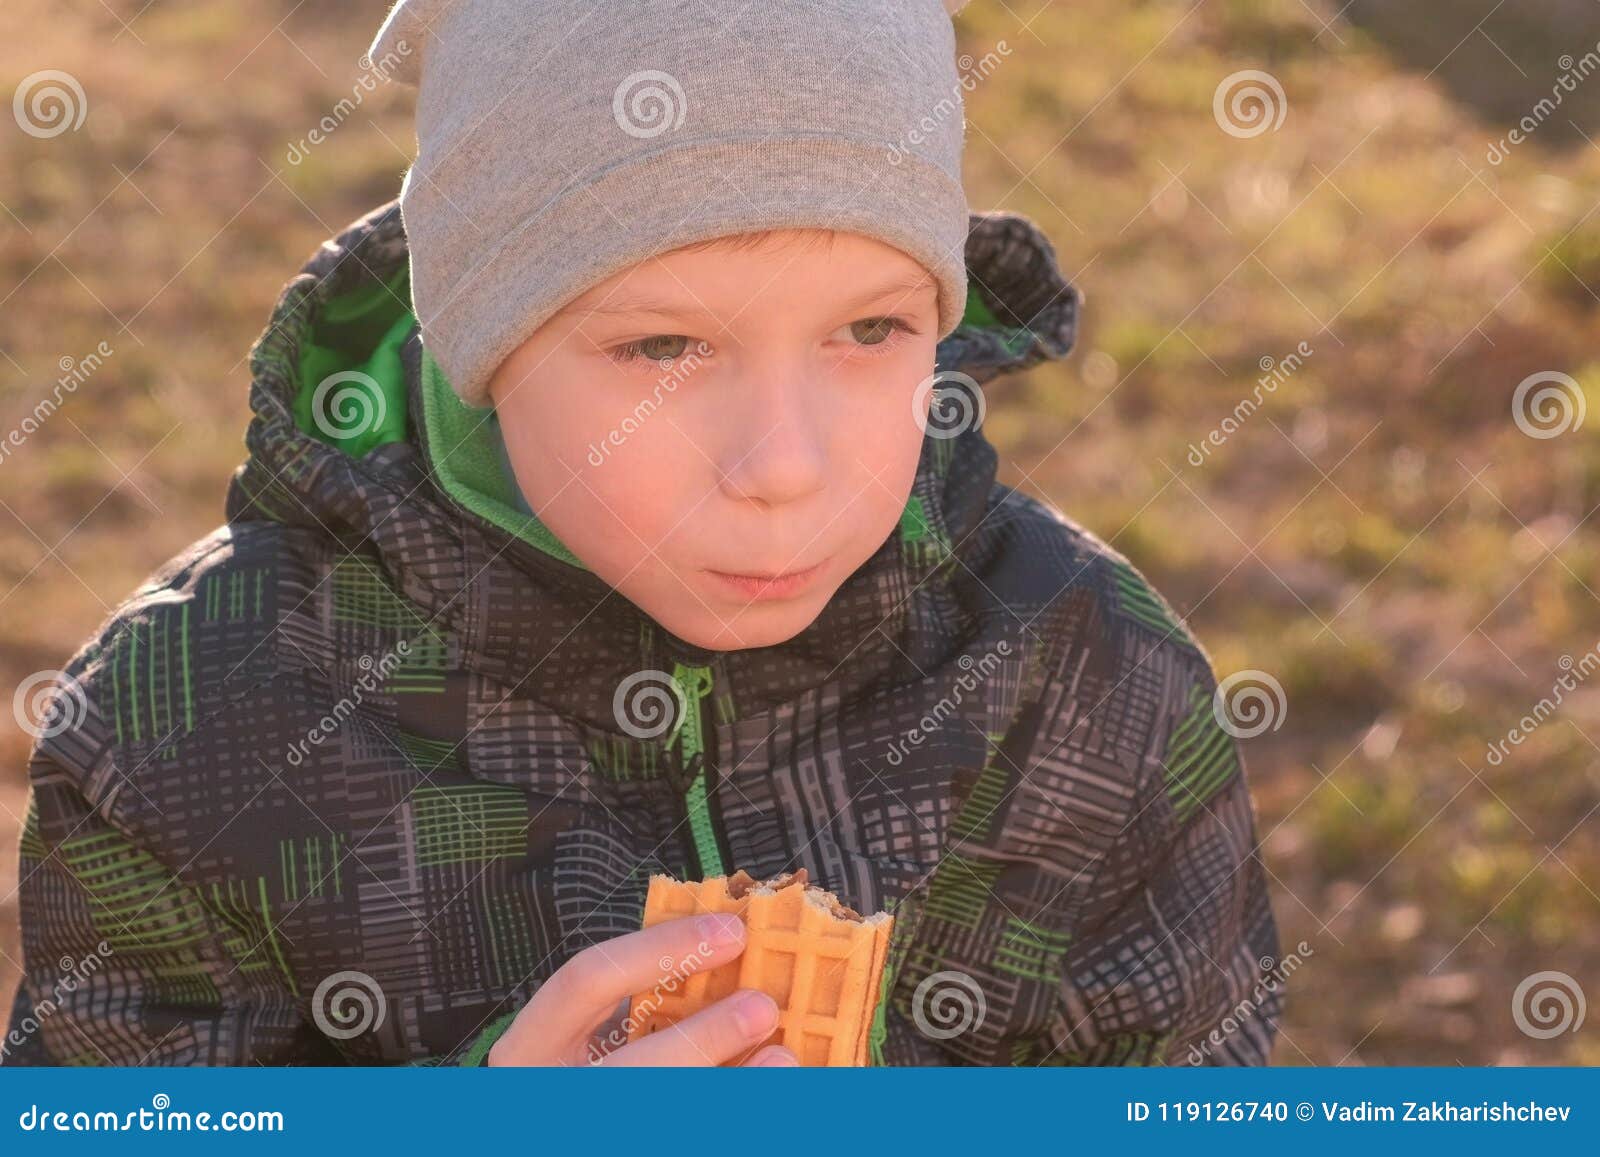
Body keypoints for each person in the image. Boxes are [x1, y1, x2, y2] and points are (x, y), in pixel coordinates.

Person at [5, 0, 1280, 1067]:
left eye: (869, 330)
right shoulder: (184, 731)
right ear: (478, 350)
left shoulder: (1090, 681)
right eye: (663, 346)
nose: (783, 465)